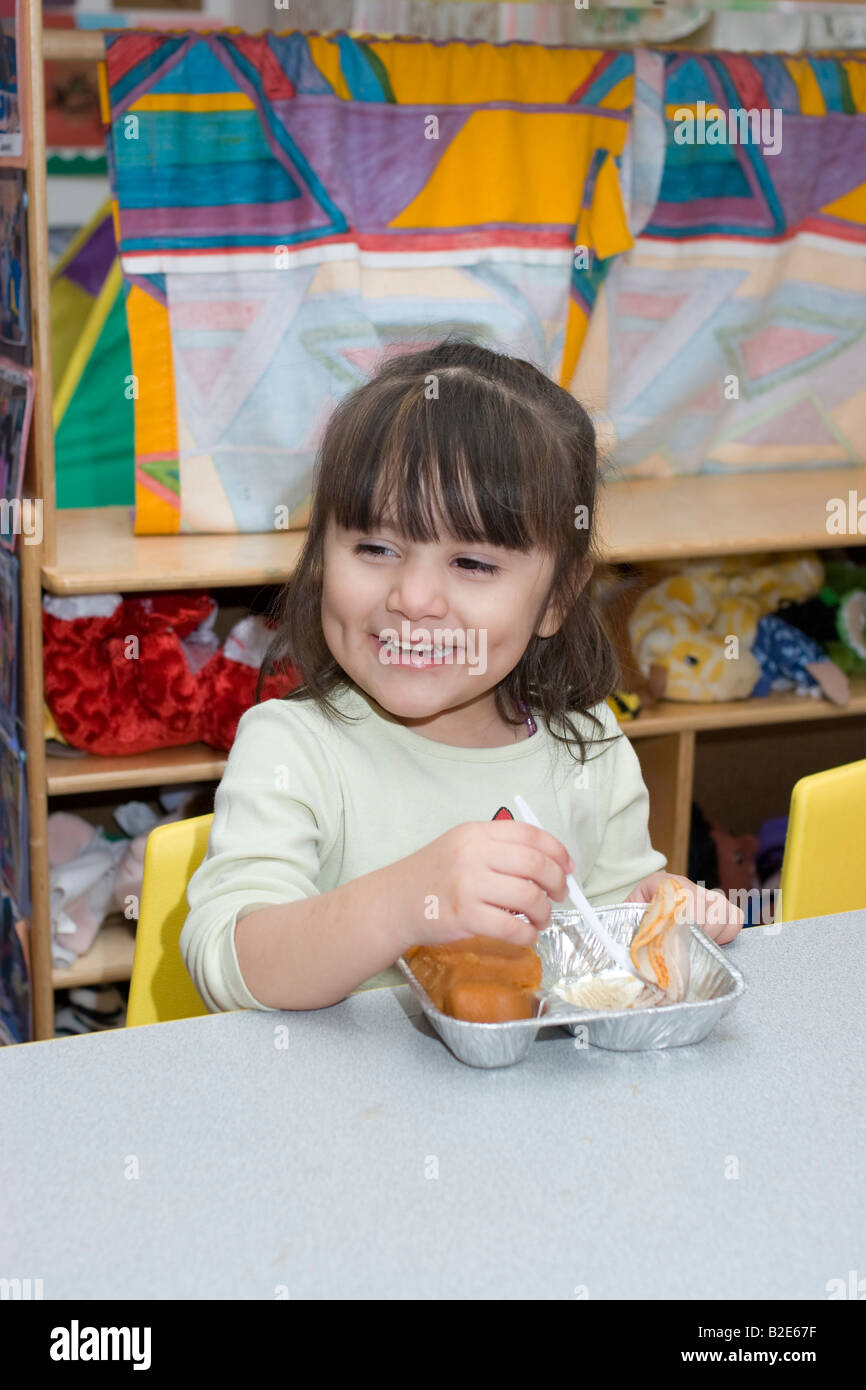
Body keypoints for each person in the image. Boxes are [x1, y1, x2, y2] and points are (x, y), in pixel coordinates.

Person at [182, 337, 743, 1014]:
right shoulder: (292, 750)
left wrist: (660, 915)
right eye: (375, 547)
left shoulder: (588, 747)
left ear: (559, 598)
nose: (414, 599)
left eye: (473, 563)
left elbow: (604, 930)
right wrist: (406, 901)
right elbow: (231, 966)